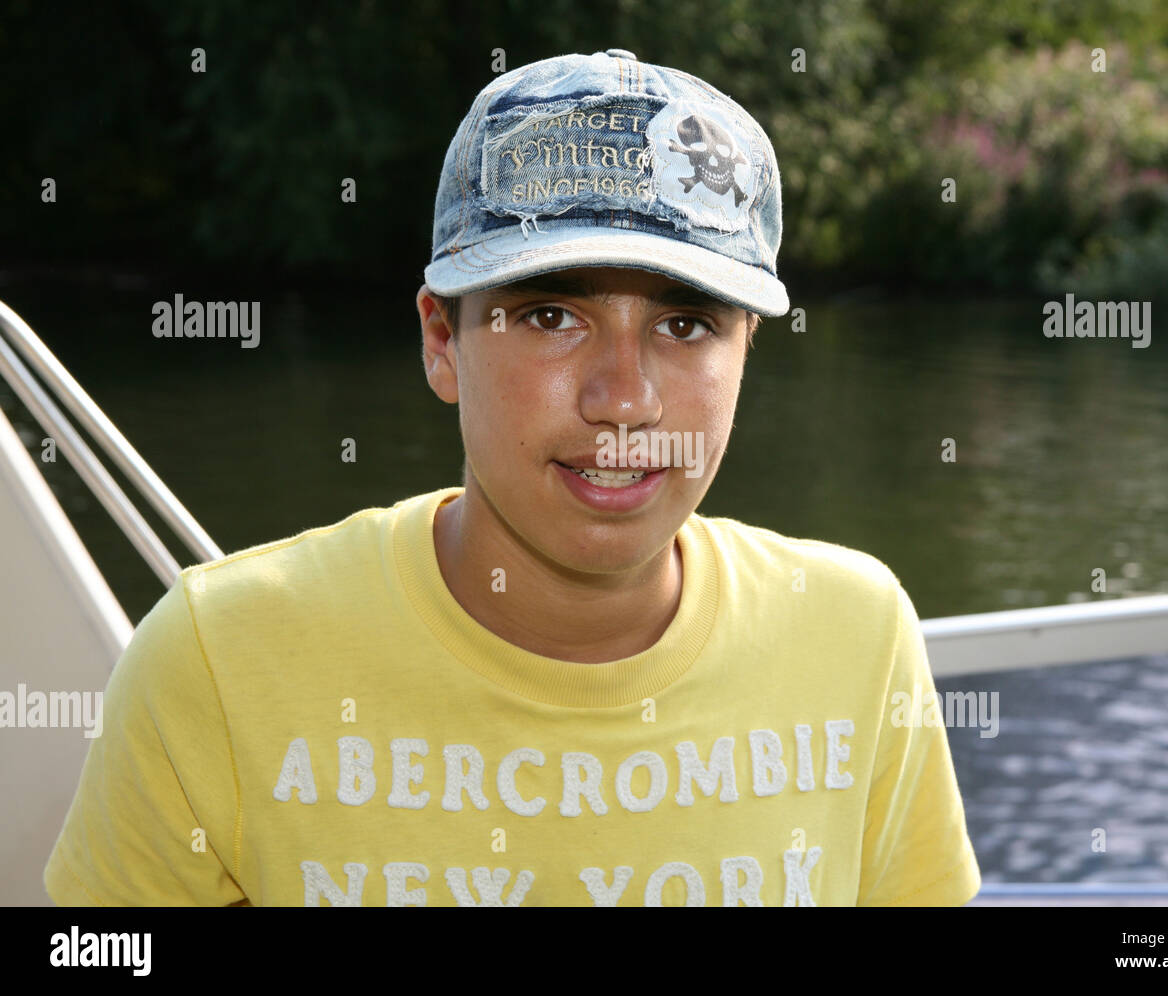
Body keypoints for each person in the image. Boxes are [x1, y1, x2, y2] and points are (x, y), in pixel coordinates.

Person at [44, 48, 980, 907]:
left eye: (686, 325)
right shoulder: (214, 661)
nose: (624, 400)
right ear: (441, 341)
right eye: (549, 316)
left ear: (748, 354)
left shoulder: (856, 636)